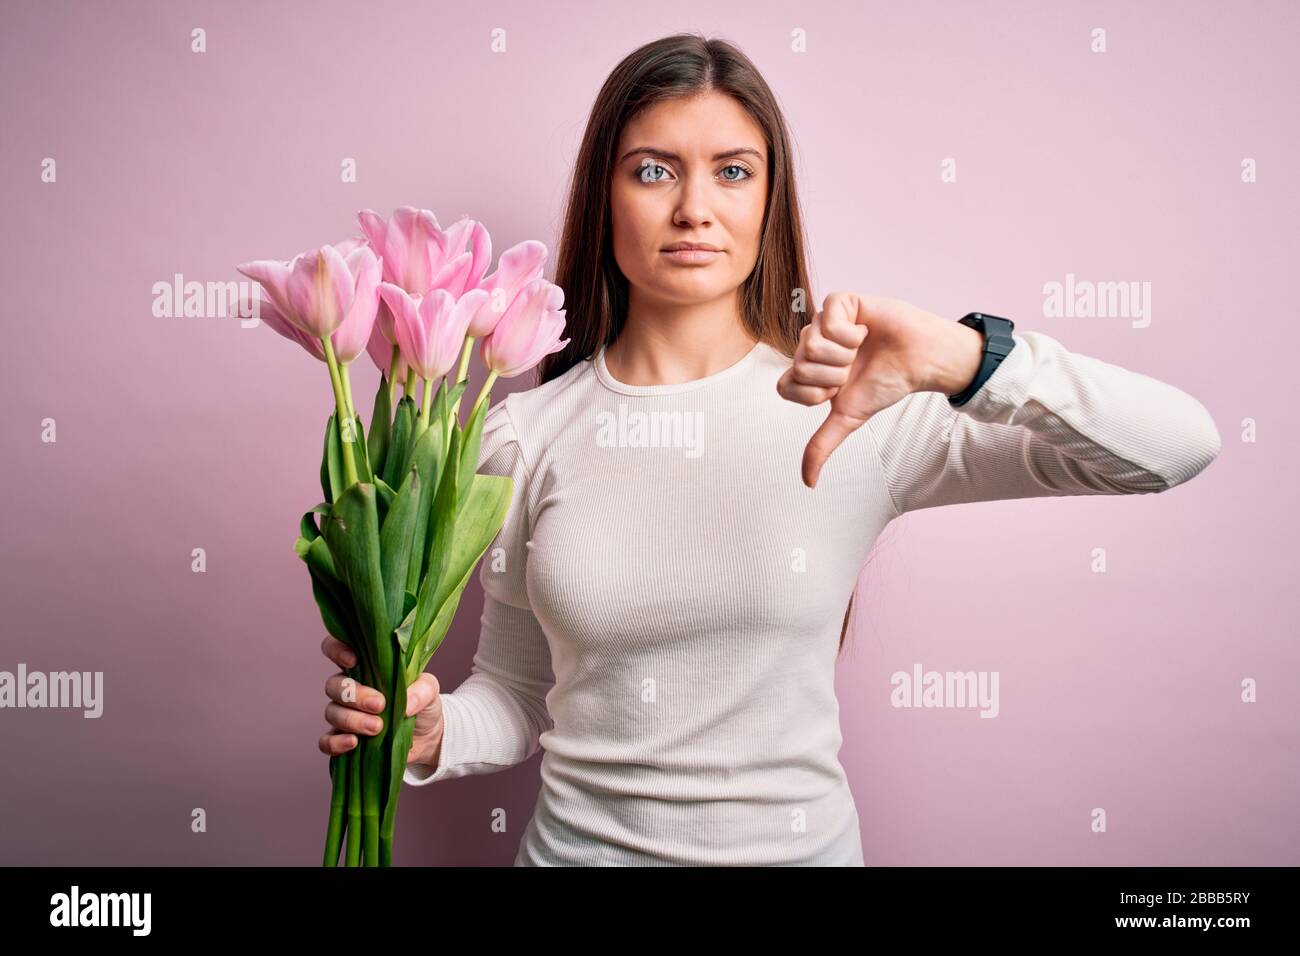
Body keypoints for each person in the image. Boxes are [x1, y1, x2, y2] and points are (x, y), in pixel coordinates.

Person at [318, 33, 1221, 866]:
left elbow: (1174, 447)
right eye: (654, 170)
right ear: (606, 194)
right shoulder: (523, 435)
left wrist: (965, 353)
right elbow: (515, 696)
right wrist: (431, 734)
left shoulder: (856, 407)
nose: (694, 208)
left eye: (733, 172)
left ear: (769, 199)